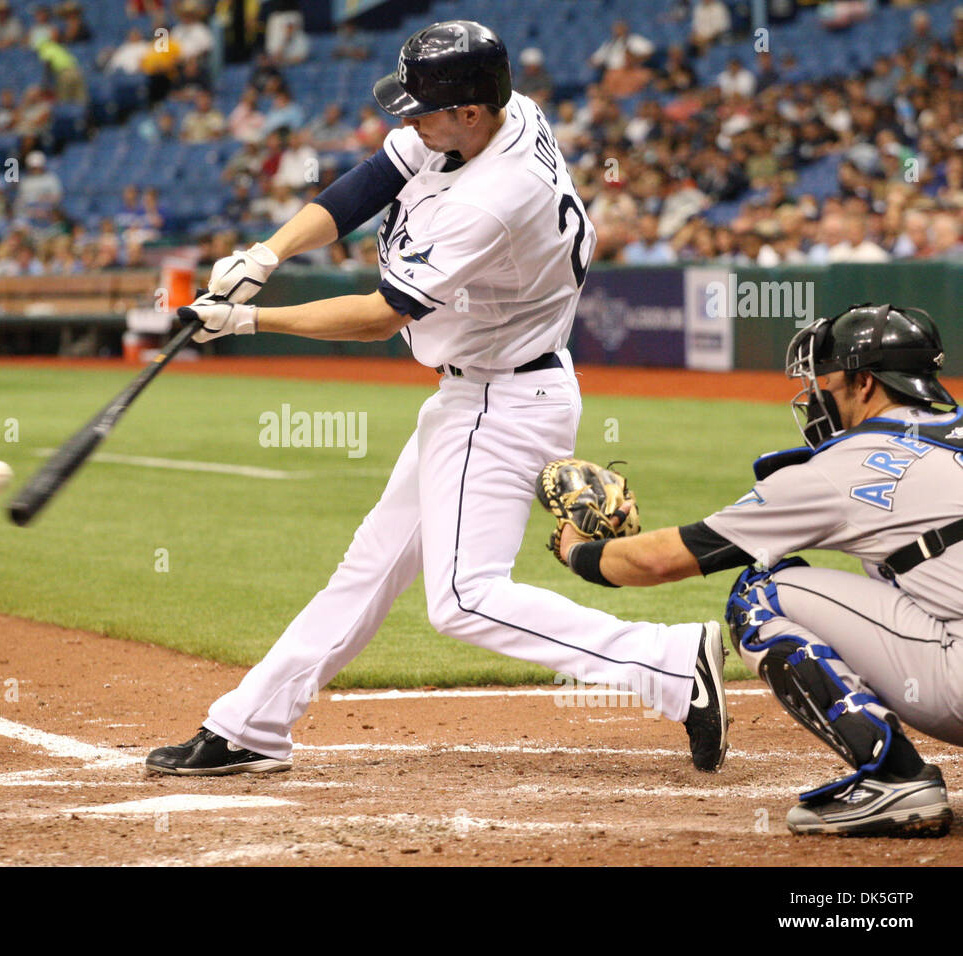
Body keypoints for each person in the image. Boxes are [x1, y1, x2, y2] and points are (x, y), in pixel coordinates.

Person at [145, 21, 726, 778]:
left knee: (463, 597)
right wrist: (267, 254)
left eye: (424, 109)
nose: (411, 122)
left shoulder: (491, 199)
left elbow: (382, 316)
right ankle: (251, 725)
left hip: (502, 401)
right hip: (485, 391)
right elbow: (370, 180)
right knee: (370, 567)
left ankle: (672, 663)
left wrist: (252, 319)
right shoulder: (501, 116)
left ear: (471, 113)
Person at [551, 304, 961, 838]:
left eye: (828, 384)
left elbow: (662, 559)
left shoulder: (845, 466)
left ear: (864, 384)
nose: (816, 397)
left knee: (761, 593)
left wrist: (577, 551)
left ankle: (895, 778)